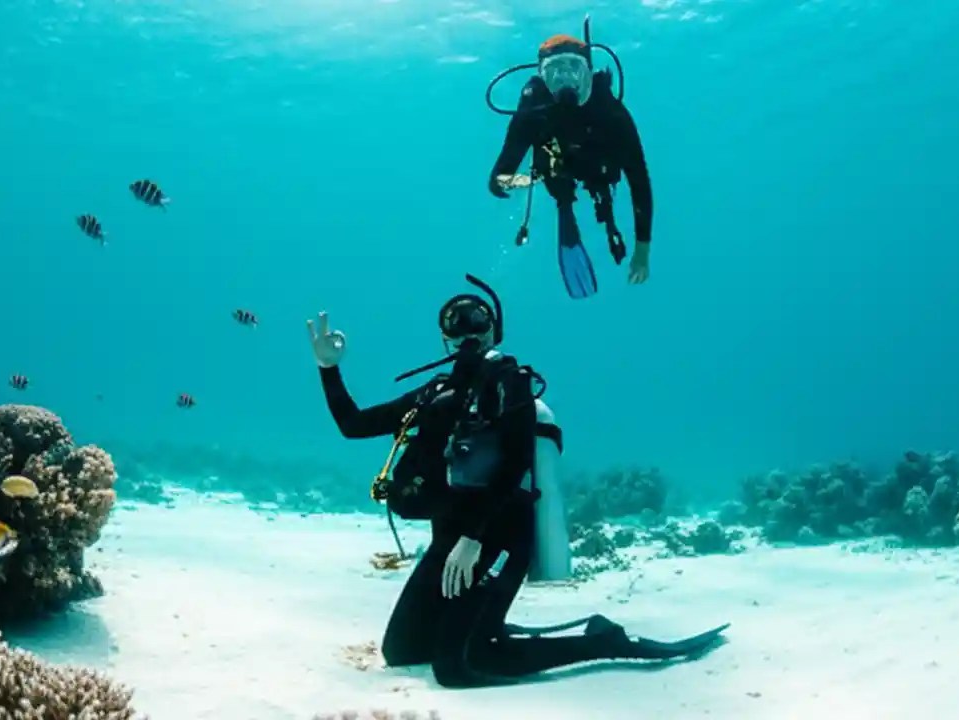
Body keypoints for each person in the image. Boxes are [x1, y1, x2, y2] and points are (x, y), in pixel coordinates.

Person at [307, 275, 728, 689]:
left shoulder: (511, 383)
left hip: (499, 537)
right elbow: (354, 424)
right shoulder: (435, 393)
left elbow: (515, 463)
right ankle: (486, 624)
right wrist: (328, 369)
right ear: (443, 340)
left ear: (495, 331)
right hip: (450, 541)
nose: (468, 336)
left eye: (479, 325)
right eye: (457, 328)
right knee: (403, 652)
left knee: (457, 667)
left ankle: (602, 642)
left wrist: (473, 538)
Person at [486, 27, 653, 300]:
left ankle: (604, 214)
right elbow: (500, 175)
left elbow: (639, 181)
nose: (565, 78)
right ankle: (564, 204)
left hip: (597, 167)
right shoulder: (533, 108)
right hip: (556, 168)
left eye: (574, 68)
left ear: (589, 71)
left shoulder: (612, 114)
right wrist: (525, 180)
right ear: (541, 76)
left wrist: (642, 251)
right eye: (554, 70)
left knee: (600, 184)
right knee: (556, 178)